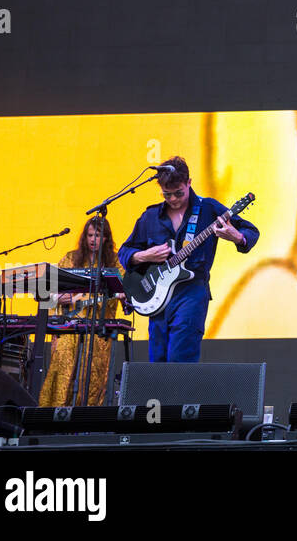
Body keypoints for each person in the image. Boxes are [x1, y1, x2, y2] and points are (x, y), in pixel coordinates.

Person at [118, 156, 258, 362]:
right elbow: (124, 252)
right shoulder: (150, 216)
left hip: (191, 292)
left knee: (180, 356)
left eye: (178, 193)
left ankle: (182, 395)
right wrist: (144, 255)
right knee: (157, 359)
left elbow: (250, 230)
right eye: (167, 194)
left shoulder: (208, 208)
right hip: (158, 295)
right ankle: (158, 396)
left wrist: (237, 237)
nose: (173, 199)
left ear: (189, 183)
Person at [38, 215, 124, 407]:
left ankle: (83, 423)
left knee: (92, 377)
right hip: (68, 328)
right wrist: (62, 297)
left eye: (98, 236)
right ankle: (50, 419)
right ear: (84, 237)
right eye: (90, 235)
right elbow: (48, 293)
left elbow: (121, 292)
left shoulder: (115, 263)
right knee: (60, 373)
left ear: (106, 239)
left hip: (98, 331)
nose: (93, 240)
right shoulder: (70, 258)